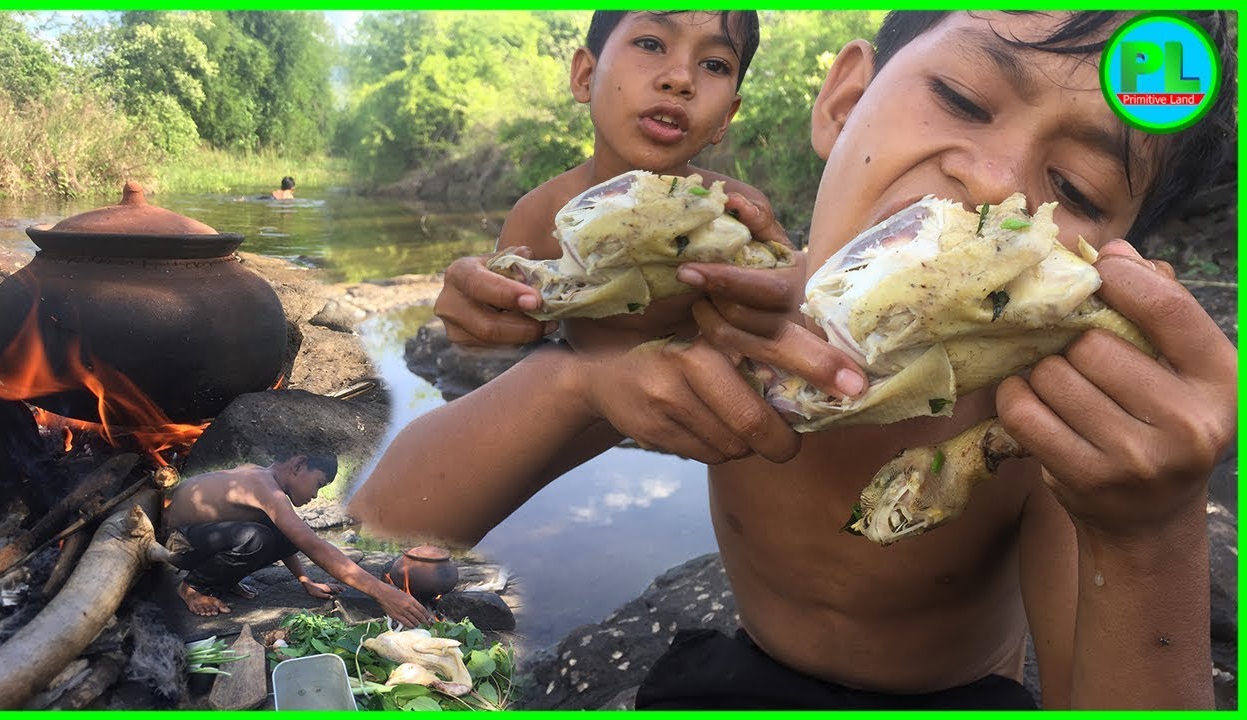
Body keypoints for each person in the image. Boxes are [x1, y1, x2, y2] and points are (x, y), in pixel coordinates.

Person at [353, 11, 1236, 709]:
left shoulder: (1039, 427)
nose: (999, 183)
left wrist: (1149, 532)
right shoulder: (711, 306)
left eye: (1077, 189)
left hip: (951, 698)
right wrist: (580, 376)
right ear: (845, 100)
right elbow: (387, 522)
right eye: (964, 100)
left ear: (1112, 262)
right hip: (745, 669)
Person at [433, 10, 802, 355]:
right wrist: (478, 326)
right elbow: (504, 335)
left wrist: (791, 303)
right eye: (651, 44)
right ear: (585, 77)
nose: (681, 79)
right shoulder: (540, 215)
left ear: (726, 118)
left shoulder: (738, 215)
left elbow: (787, 333)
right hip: (587, 420)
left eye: (714, 65)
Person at [165, 454, 432, 629]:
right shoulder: (264, 487)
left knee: (286, 531)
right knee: (255, 538)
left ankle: (222, 579)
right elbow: (315, 546)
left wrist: (305, 580)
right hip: (176, 543)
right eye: (318, 484)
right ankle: (192, 587)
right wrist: (383, 592)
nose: (316, 495)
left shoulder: (260, 476)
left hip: (204, 537)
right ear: (298, 465)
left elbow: (294, 538)